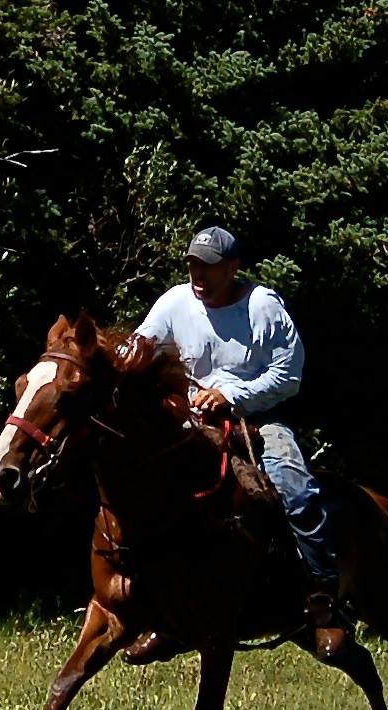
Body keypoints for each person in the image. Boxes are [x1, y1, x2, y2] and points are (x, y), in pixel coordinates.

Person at [122, 226, 343, 663]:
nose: (197, 274)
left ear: (233, 267)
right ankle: (165, 617)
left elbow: (288, 374)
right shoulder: (176, 301)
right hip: (191, 419)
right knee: (155, 493)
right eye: (192, 264)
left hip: (258, 420)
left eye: (208, 266)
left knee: (297, 493)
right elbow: (145, 339)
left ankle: (323, 605)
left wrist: (232, 395)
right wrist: (129, 353)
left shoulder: (263, 307)